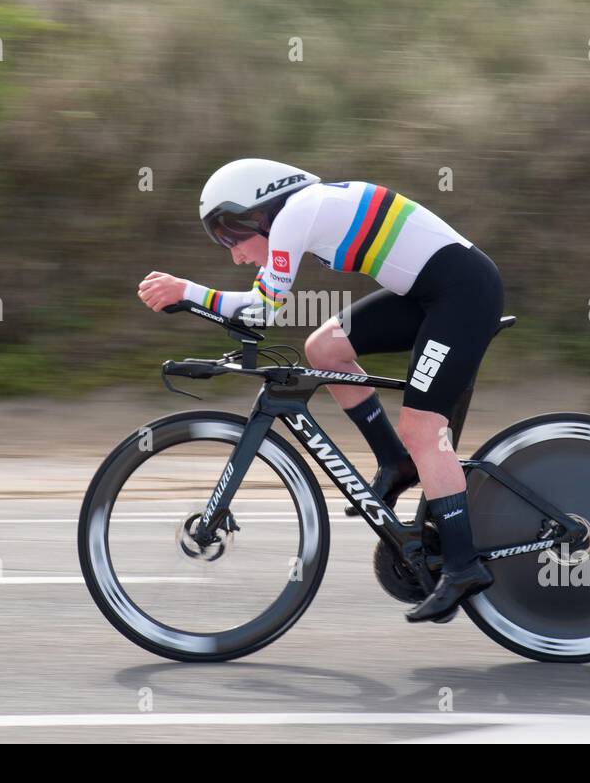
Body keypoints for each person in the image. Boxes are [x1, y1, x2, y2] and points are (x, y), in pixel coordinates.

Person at [137, 158, 504, 622]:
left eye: (231, 236)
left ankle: (463, 565)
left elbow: (261, 310)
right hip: (431, 294)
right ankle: (396, 463)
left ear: (258, 213)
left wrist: (187, 291)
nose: (234, 254)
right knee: (324, 349)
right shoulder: (306, 210)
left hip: (464, 294)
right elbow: (261, 302)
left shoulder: (296, 213)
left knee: (423, 427)